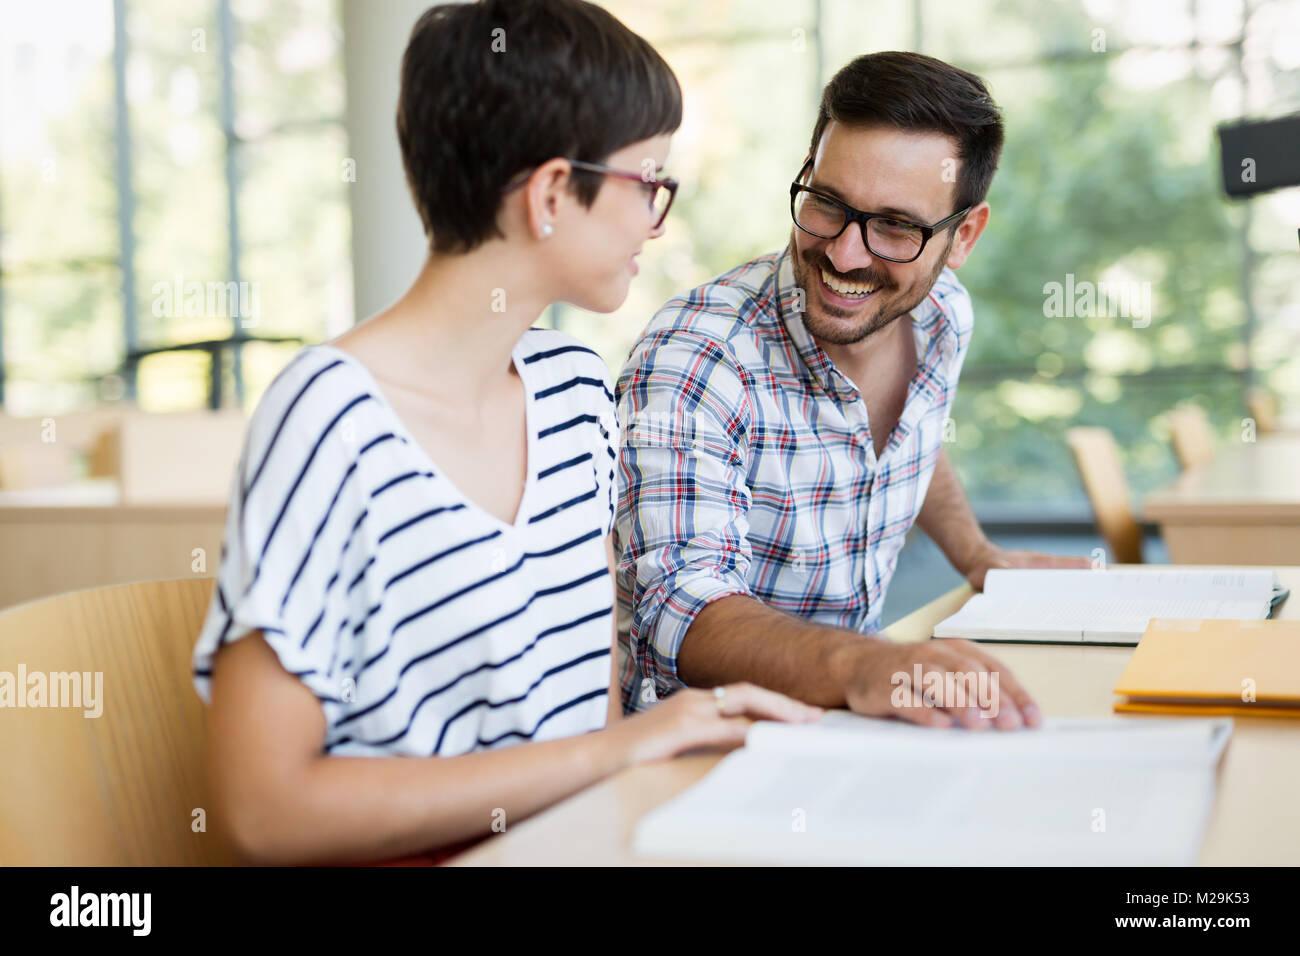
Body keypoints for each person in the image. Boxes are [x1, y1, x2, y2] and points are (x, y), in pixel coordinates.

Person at [192, 0, 818, 866]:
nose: (654, 220)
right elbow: (266, 812)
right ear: (554, 193)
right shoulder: (328, 418)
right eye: (650, 183)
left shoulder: (574, 393)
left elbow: (586, 715)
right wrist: (623, 749)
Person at [615, 51, 1089, 729]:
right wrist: (866, 664)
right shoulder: (699, 356)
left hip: (857, 723)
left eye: (896, 226)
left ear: (963, 237)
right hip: (703, 755)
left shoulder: (943, 315)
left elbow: (911, 442)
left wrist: (979, 557)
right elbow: (683, 613)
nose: (844, 255)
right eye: (828, 205)